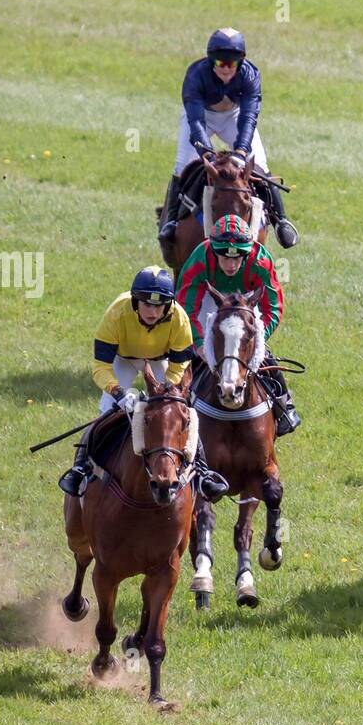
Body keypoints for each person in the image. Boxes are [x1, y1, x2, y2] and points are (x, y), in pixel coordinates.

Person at [58, 266, 222, 498]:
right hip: (123, 359)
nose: (153, 311)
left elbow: (179, 366)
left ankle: (203, 472)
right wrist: (119, 392)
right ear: (135, 302)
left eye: (159, 305)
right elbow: (100, 368)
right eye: (146, 304)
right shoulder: (116, 313)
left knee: (183, 412)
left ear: (168, 305)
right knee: (106, 411)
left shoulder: (179, 318)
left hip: (160, 361)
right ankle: (81, 467)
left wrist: (161, 392)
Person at [158, 27, 298, 250]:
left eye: (231, 64)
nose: (225, 69)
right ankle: (171, 220)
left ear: (240, 63)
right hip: (201, 116)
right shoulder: (195, 75)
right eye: (220, 63)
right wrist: (206, 152)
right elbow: (195, 120)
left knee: (259, 163)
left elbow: (249, 116)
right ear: (211, 61)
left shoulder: (250, 75)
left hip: (234, 117)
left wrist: (242, 149)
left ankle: (281, 220)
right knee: (182, 164)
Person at [176, 214, 302, 437]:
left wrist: (256, 339)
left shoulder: (261, 261)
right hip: (209, 298)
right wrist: (198, 343)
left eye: (237, 258)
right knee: (186, 357)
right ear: (214, 251)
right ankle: (176, 405)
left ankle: (285, 406)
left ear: (248, 253)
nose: (231, 264)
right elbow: (186, 307)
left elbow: (273, 307)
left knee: (262, 356)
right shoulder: (199, 259)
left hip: (245, 301)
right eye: (224, 258)